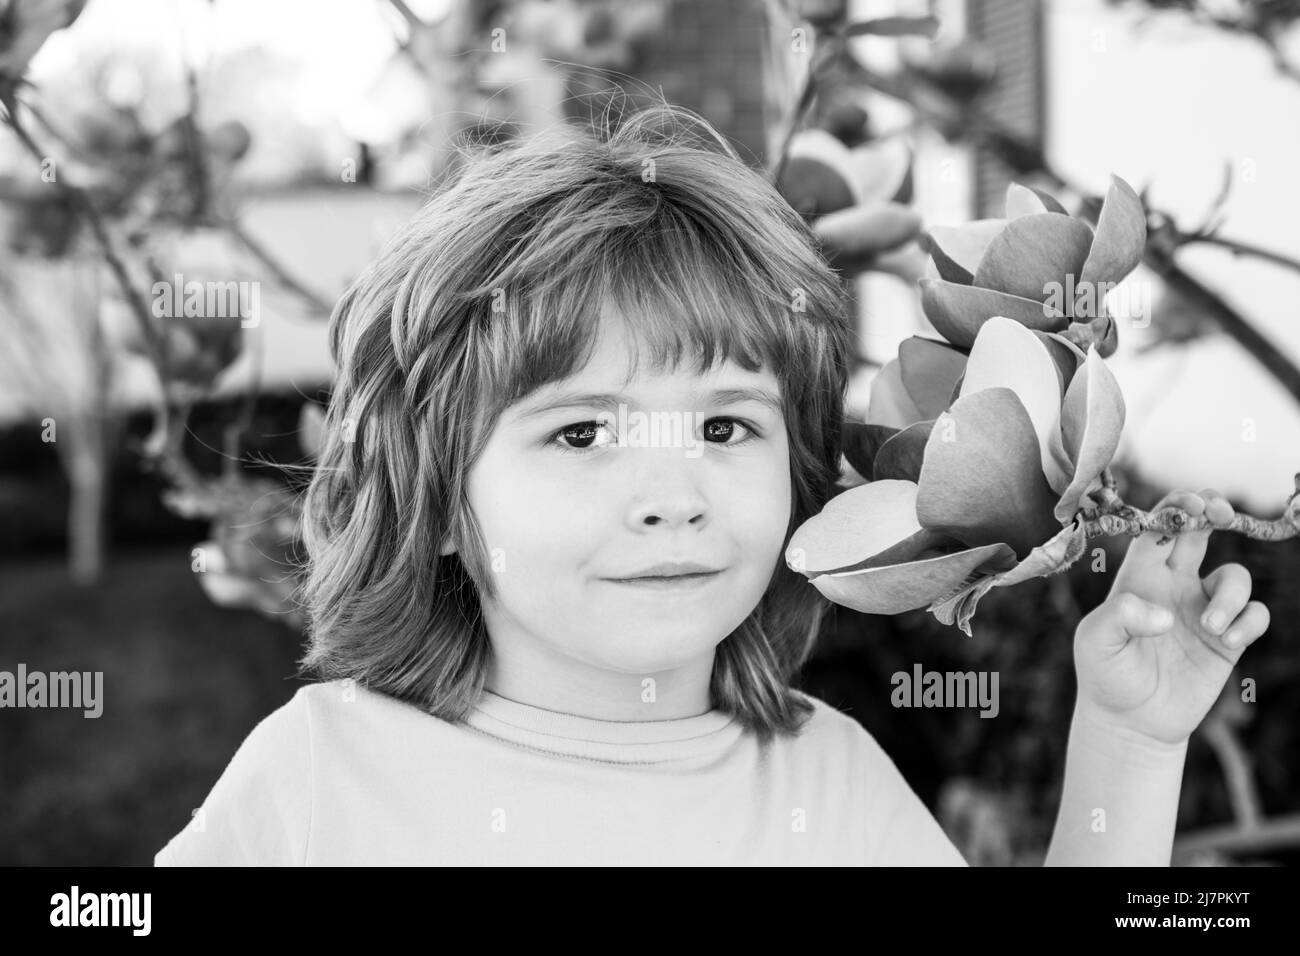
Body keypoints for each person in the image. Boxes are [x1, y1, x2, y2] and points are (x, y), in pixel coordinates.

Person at [155, 103, 1269, 866]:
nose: (673, 492)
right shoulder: (319, 778)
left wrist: (1129, 741)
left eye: (726, 424)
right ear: (443, 499)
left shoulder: (826, 781)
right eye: (583, 429)